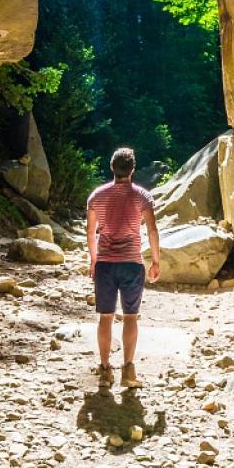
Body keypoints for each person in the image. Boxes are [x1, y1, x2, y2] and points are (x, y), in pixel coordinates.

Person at [86, 147, 160, 388]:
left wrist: (93, 260)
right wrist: (156, 260)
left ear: (111, 168)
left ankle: (105, 370)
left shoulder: (96, 196)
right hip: (131, 264)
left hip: (106, 264)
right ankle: (128, 371)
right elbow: (151, 230)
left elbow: (90, 232)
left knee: (105, 318)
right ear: (133, 170)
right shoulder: (142, 197)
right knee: (131, 318)